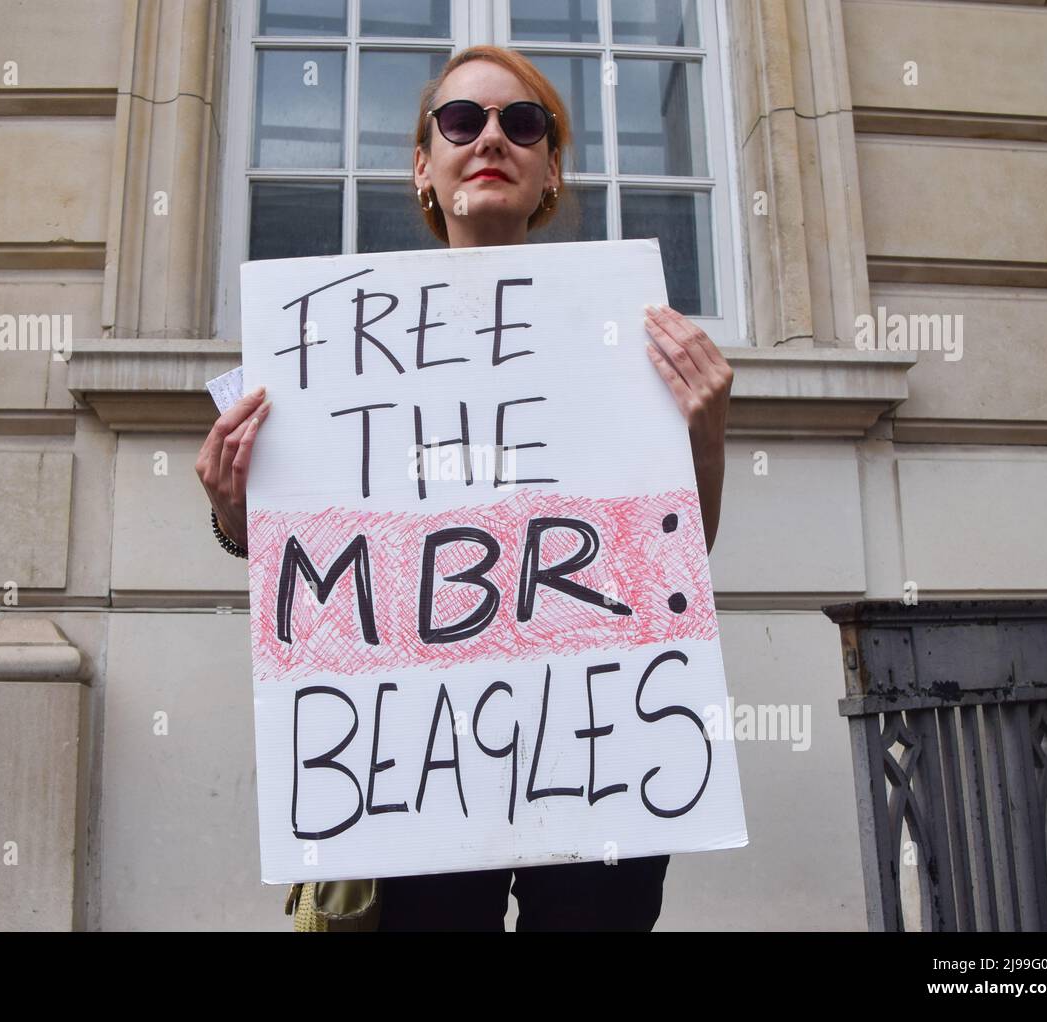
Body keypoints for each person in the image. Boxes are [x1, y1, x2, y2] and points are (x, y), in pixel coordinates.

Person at [195, 45, 733, 931]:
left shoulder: (618, 334)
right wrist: (230, 511)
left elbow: (672, 568)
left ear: (551, 166)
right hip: (415, 756)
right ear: (423, 164)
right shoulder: (330, 342)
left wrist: (704, 438)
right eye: (461, 121)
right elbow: (307, 564)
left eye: (522, 123)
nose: (491, 137)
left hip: (592, 744)